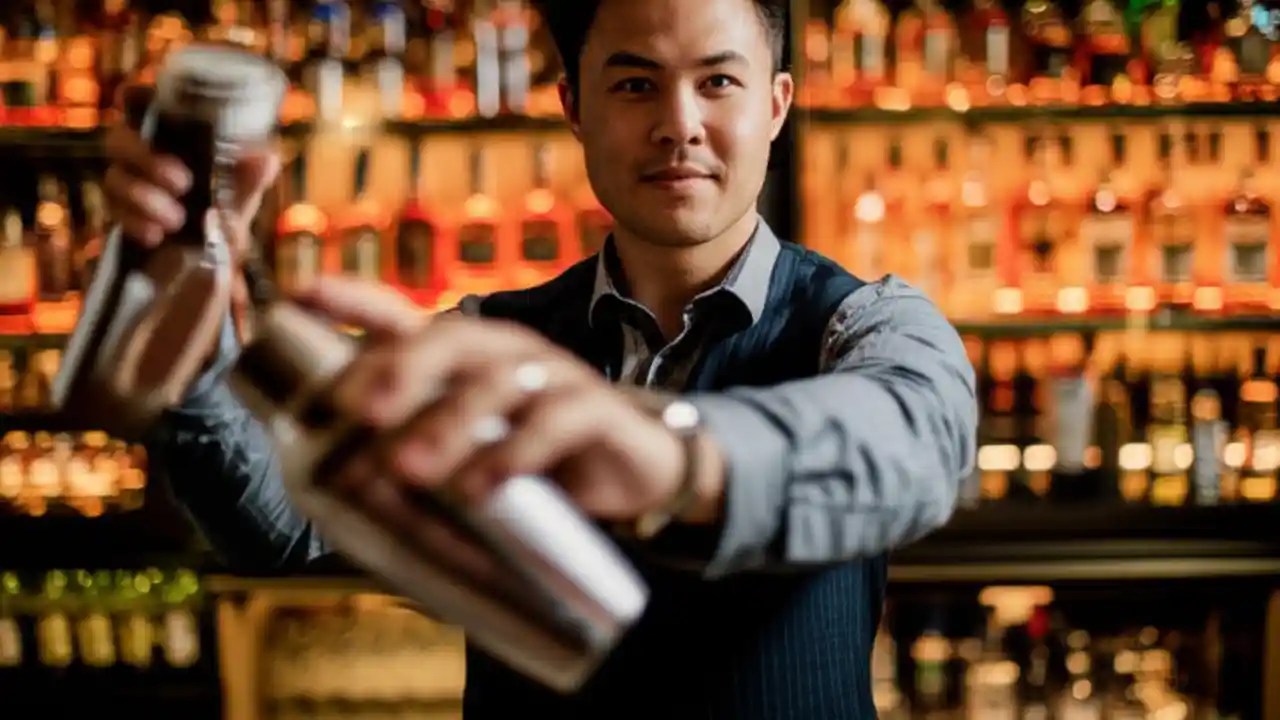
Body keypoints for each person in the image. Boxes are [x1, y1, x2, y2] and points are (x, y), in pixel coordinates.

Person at [103, 0, 977, 716]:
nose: (680, 125)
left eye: (718, 81)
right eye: (636, 84)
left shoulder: (865, 322)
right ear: (574, 108)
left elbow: (920, 445)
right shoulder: (485, 336)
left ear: (776, 105)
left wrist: (677, 457)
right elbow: (282, 532)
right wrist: (195, 322)